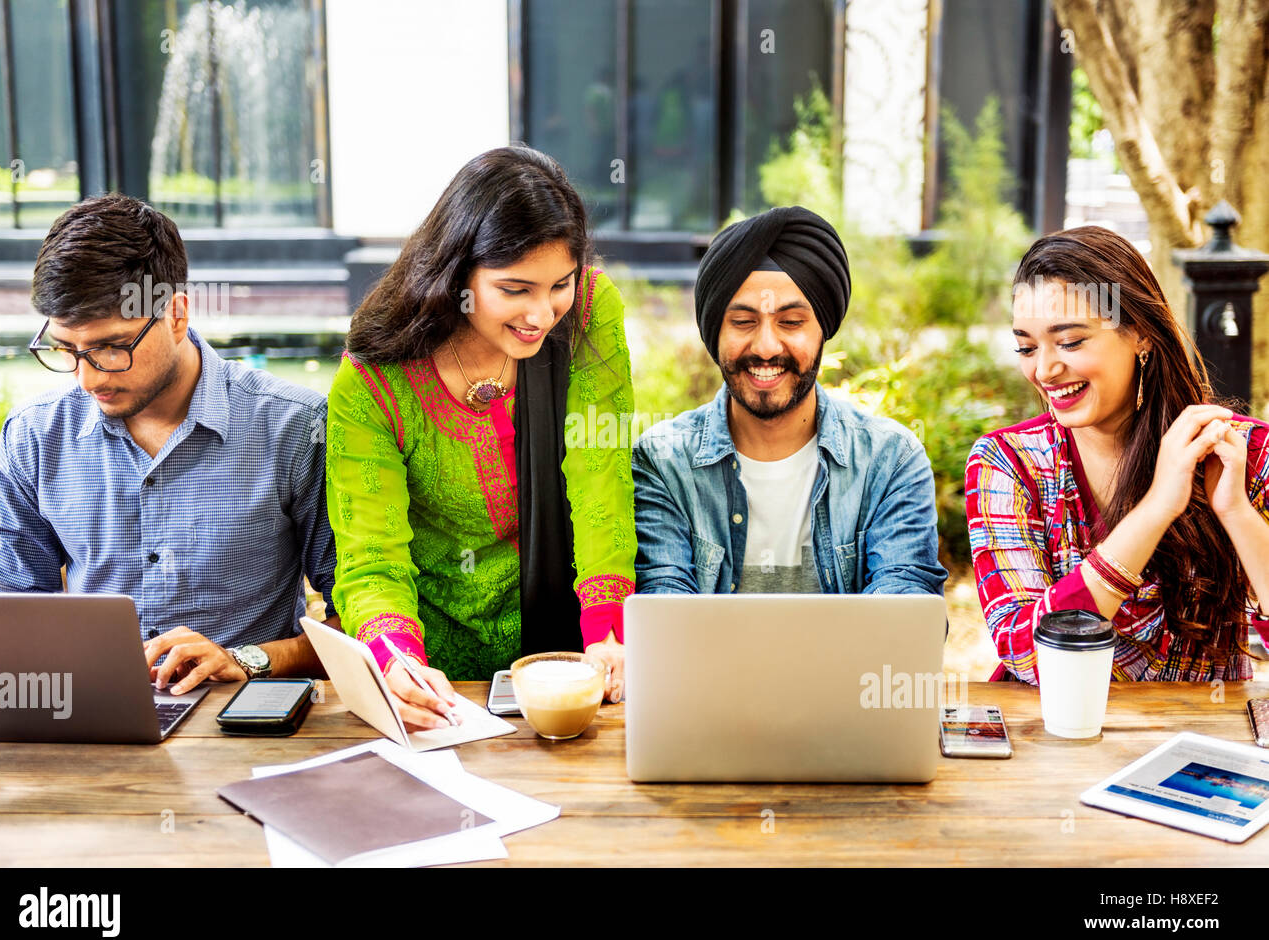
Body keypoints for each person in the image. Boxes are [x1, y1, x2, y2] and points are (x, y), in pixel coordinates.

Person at [327, 146, 636, 730]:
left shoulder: (591, 313)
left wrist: (610, 632)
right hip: (439, 675)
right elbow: (371, 557)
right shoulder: (373, 381)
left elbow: (603, 477)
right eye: (514, 289)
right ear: (455, 277)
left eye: (558, 285)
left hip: (572, 664)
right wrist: (397, 662)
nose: (542, 316)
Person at [0, 193, 338, 693]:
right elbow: (8, 613)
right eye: (67, 349)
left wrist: (246, 660)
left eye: (110, 347)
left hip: (247, 720)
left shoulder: (295, 427)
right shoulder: (35, 435)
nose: (86, 379)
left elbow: (360, 621)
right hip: (90, 714)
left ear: (176, 315)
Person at [966, 225, 1269, 682]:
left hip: (1204, 741)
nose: (1044, 370)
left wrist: (1235, 512)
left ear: (1140, 333)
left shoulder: (1240, 452)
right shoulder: (1008, 462)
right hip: (1061, 738)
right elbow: (1025, 653)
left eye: (1070, 342)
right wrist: (1158, 507)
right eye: (1026, 347)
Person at [632, 205, 947, 599]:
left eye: (791, 322)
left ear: (823, 331)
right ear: (714, 332)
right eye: (743, 322)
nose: (766, 347)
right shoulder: (663, 462)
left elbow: (905, 608)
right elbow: (664, 613)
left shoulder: (890, 461)